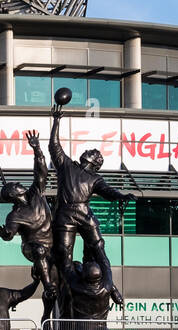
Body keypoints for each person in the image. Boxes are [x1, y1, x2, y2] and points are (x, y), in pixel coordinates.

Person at [48, 101, 132, 307]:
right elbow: (54, 146)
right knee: (68, 257)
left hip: (78, 214)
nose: (89, 150)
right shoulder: (67, 166)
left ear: (94, 162)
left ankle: (110, 287)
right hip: (72, 214)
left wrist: (121, 196)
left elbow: (109, 192)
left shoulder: (94, 178)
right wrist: (56, 121)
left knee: (97, 250)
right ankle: (72, 296)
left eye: (93, 152)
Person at [0, 130, 57, 321]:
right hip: (31, 247)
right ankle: (48, 287)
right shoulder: (14, 216)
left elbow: (41, 171)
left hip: (52, 242)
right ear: (13, 193)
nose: (18, 183)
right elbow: (10, 234)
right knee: (38, 251)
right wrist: (6, 235)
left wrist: (37, 149)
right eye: (15, 184)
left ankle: (48, 311)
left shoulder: (36, 193)